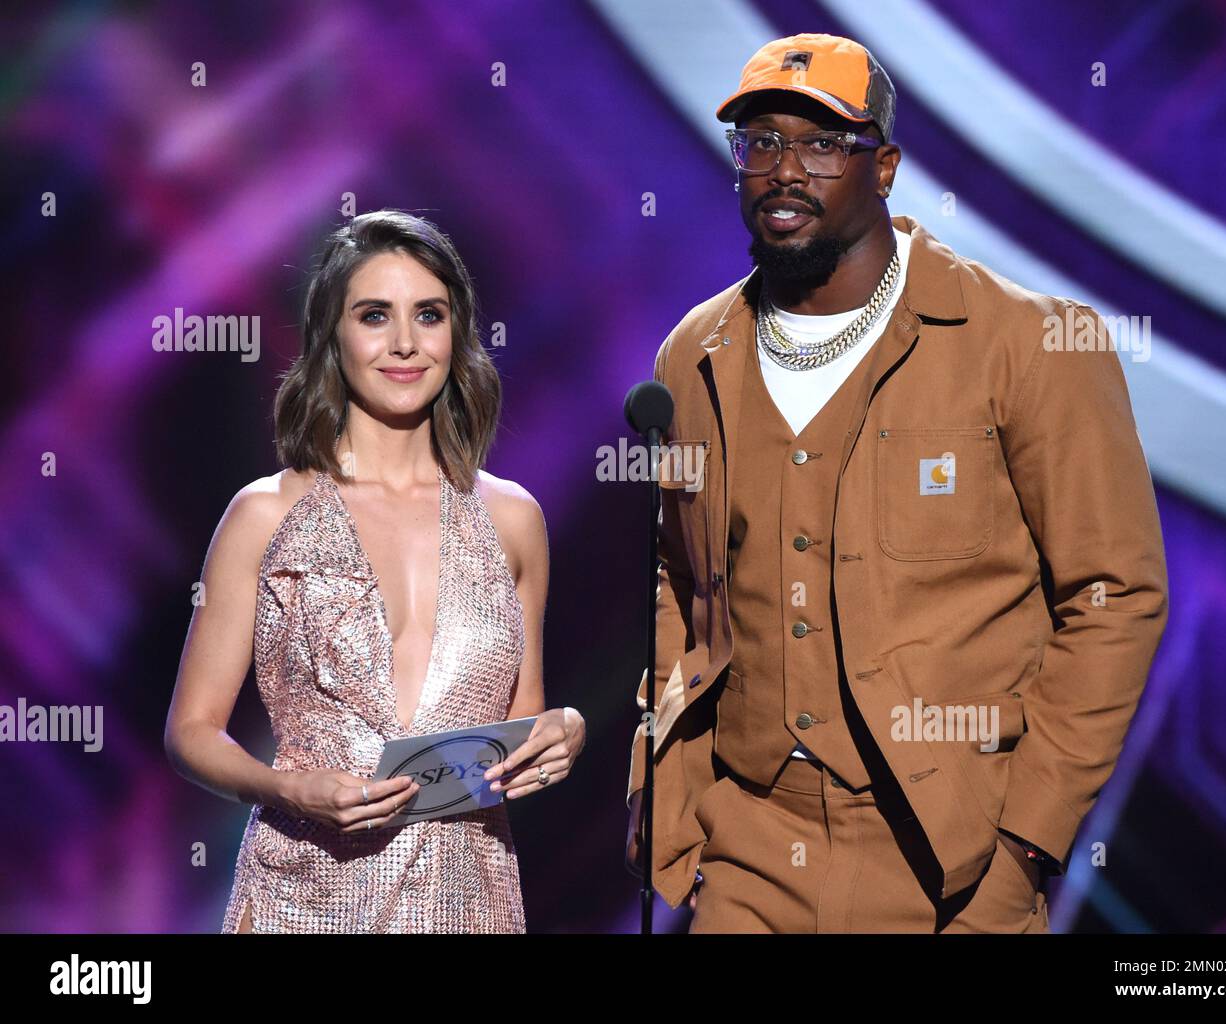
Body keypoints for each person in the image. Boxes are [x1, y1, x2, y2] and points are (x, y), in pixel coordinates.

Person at [624, 34, 1168, 932]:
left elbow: (1114, 598)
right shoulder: (694, 354)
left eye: (823, 143)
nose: (785, 171)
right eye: (760, 143)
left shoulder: (1025, 342)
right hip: (749, 849)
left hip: (949, 861)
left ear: (884, 167)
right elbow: (680, 581)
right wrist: (669, 775)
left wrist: (1026, 845)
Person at [164, 209, 584, 933]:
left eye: (428, 315)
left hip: (468, 900)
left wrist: (561, 733)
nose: (403, 343)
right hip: (305, 898)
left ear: (456, 335)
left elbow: (517, 732)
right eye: (373, 316)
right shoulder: (264, 515)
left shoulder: (514, 519)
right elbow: (192, 730)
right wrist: (289, 788)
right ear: (334, 337)